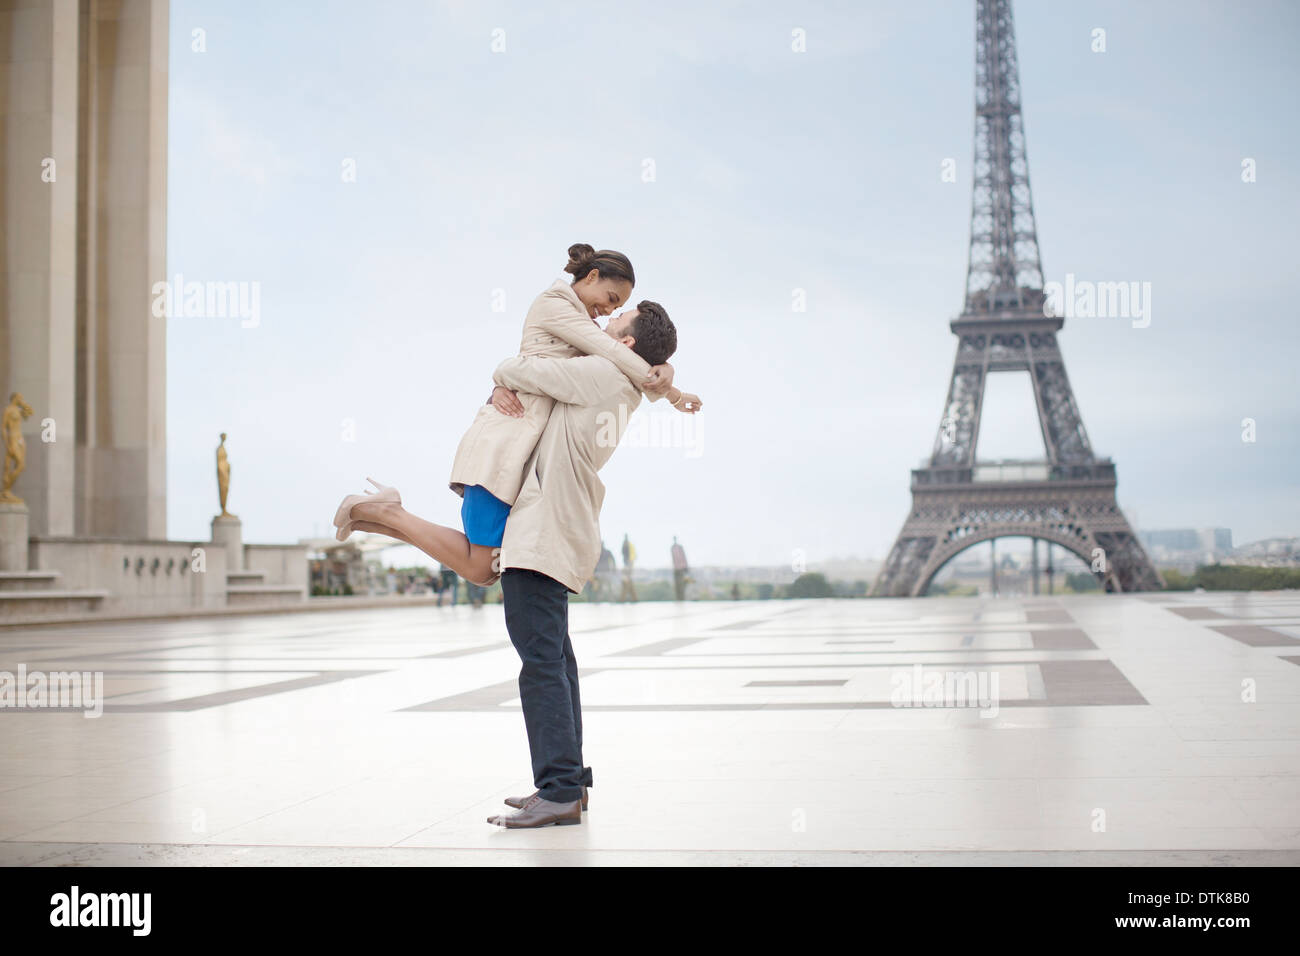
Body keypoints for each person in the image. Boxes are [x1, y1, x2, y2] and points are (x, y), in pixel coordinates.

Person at [331, 243, 700, 585]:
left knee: (485, 565)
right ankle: (387, 511)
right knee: (481, 566)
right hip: (503, 443)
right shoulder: (555, 304)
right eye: (611, 298)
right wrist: (671, 391)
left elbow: (619, 357)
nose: (609, 310)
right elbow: (618, 353)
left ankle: (376, 513)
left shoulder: (585, 324)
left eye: (618, 306)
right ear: (591, 277)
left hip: (518, 451)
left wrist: (664, 368)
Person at [483, 301, 679, 828]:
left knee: (543, 665)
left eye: (618, 322)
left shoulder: (599, 372)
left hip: (543, 530)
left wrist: (502, 375)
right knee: (556, 662)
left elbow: (517, 368)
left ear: (628, 345)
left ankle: (561, 789)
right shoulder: (624, 383)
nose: (604, 325)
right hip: (561, 528)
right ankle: (565, 784)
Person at [620, 533, 638, 603]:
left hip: (628, 564)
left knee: (626, 581)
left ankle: (624, 598)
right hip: (627, 564)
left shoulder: (628, 544)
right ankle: (634, 598)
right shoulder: (626, 544)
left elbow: (632, 555)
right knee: (628, 581)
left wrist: (630, 563)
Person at [671, 536, 689, 601]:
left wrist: (685, 566)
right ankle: (678, 598)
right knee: (677, 585)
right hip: (675, 568)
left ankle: (682, 598)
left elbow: (683, 557)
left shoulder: (680, 547)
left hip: (681, 568)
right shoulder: (672, 548)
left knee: (681, 584)